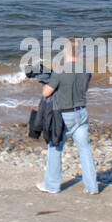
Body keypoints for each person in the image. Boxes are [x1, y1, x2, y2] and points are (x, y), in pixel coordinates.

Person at [39, 38, 99, 195]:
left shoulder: (59, 71)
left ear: (65, 51)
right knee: (85, 149)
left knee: (55, 146)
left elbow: (47, 93)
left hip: (64, 115)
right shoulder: (86, 70)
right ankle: (92, 187)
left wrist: (46, 83)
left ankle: (52, 185)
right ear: (79, 52)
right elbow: (84, 89)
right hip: (81, 112)